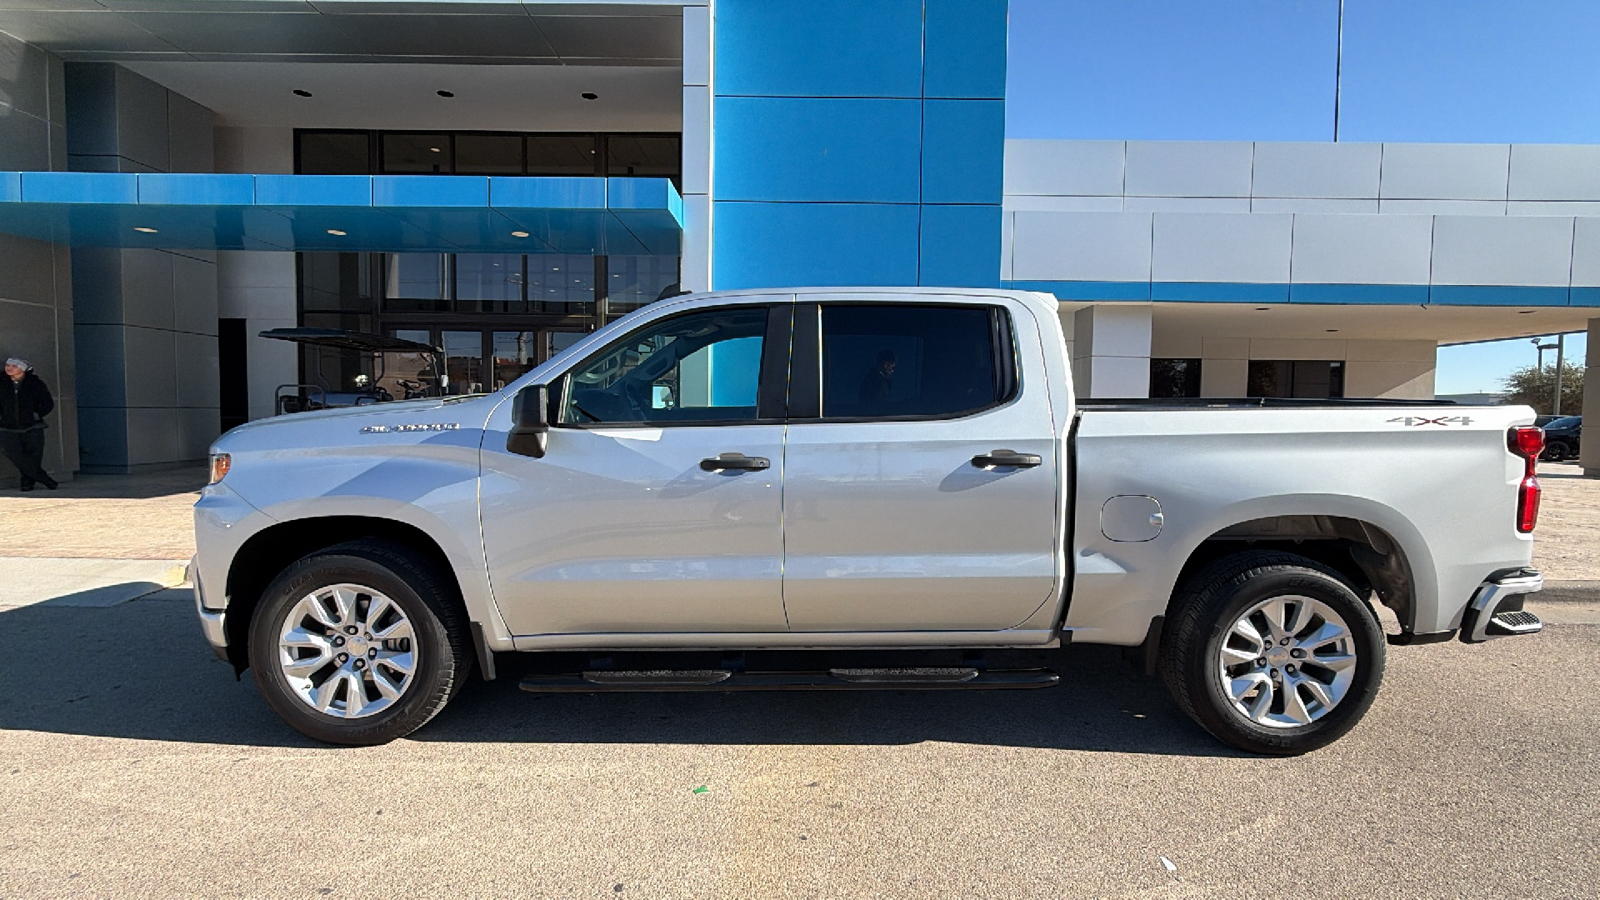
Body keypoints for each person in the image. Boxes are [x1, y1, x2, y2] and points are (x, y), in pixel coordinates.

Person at [0, 357, 58, 491]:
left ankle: (27, 483)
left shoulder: (35, 383)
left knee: (34, 455)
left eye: (14, 366)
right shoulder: (2, 382)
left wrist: (36, 415)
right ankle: (44, 478)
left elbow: (48, 402)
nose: (9, 368)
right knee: (14, 454)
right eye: (8, 365)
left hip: (32, 425)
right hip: (7, 426)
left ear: (23, 369)